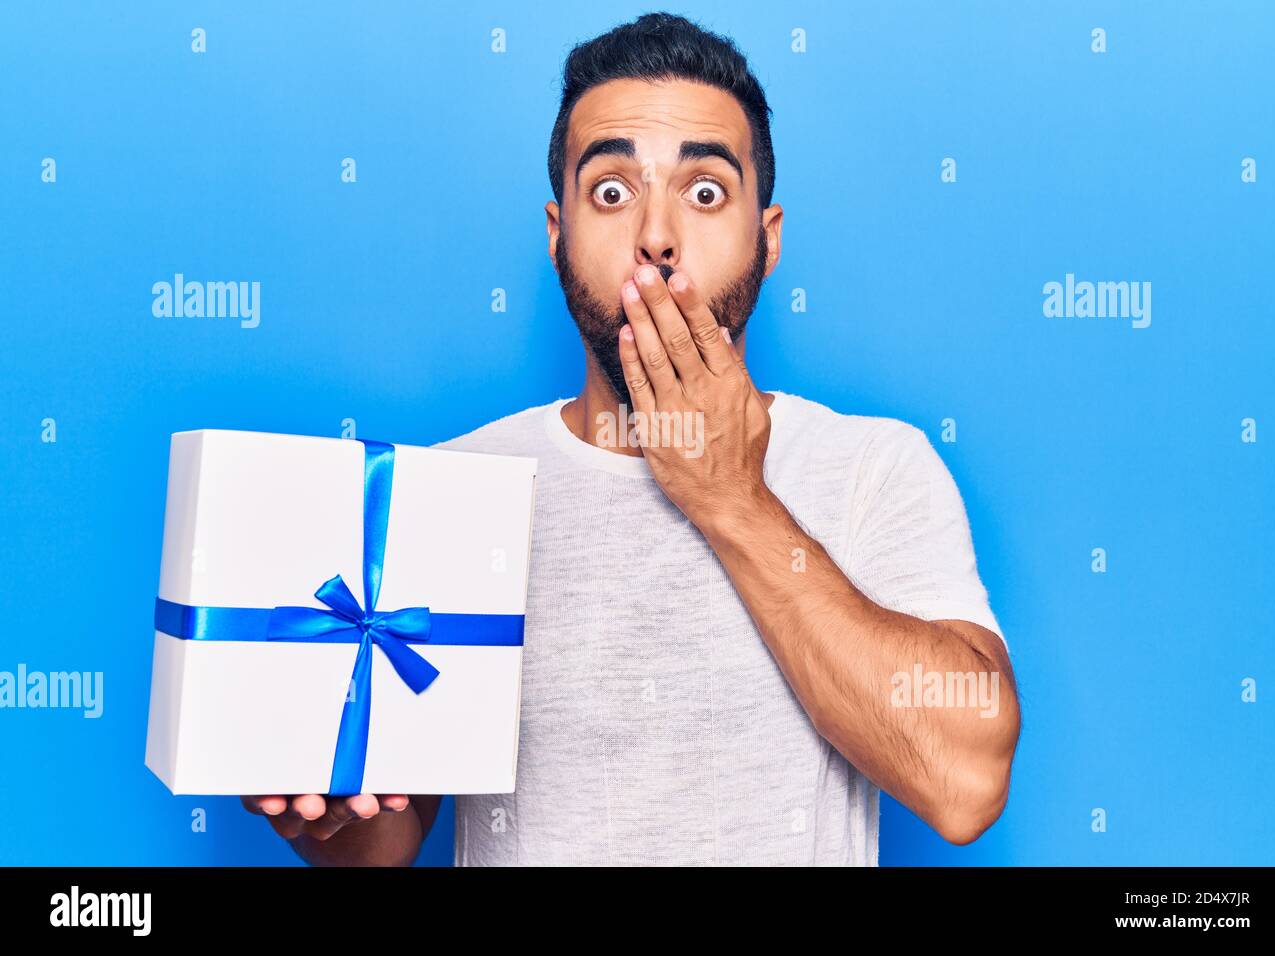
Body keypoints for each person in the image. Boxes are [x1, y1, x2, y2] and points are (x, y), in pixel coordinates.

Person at [243, 11, 1020, 866]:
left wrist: (730, 493)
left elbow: (965, 781)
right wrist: (328, 812)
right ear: (557, 234)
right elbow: (385, 842)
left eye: (705, 192)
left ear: (768, 239)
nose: (656, 236)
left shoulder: (875, 469)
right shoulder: (462, 484)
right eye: (612, 191)